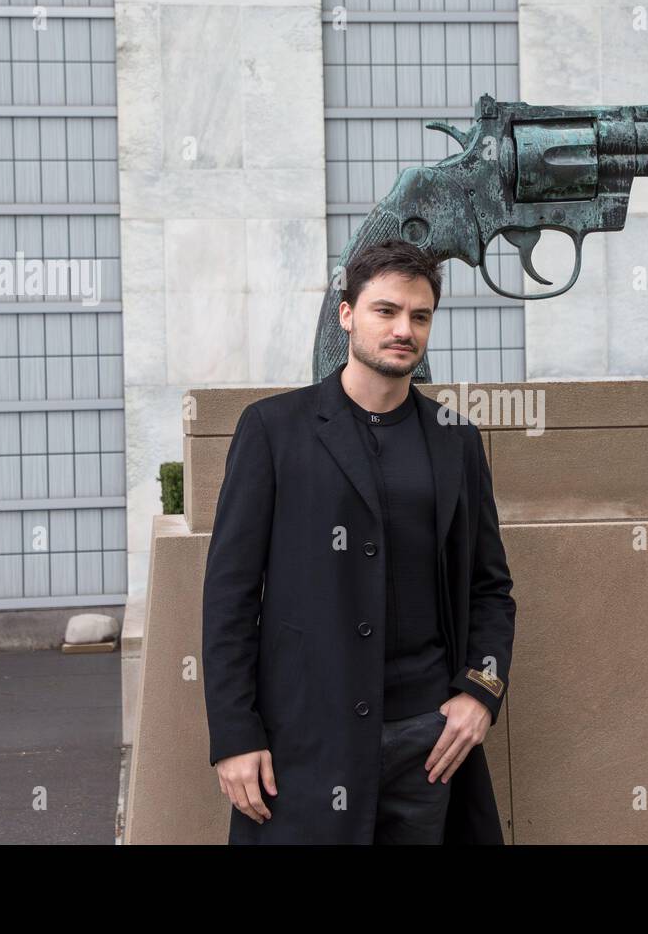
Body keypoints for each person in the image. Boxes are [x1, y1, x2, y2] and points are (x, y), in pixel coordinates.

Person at [201, 238, 516, 844]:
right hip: (303, 743)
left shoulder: (456, 440)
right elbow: (229, 600)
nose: (405, 329)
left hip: (428, 744)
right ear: (345, 314)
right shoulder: (272, 430)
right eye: (386, 311)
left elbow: (490, 588)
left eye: (420, 316)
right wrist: (235, 736)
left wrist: (480, 691)